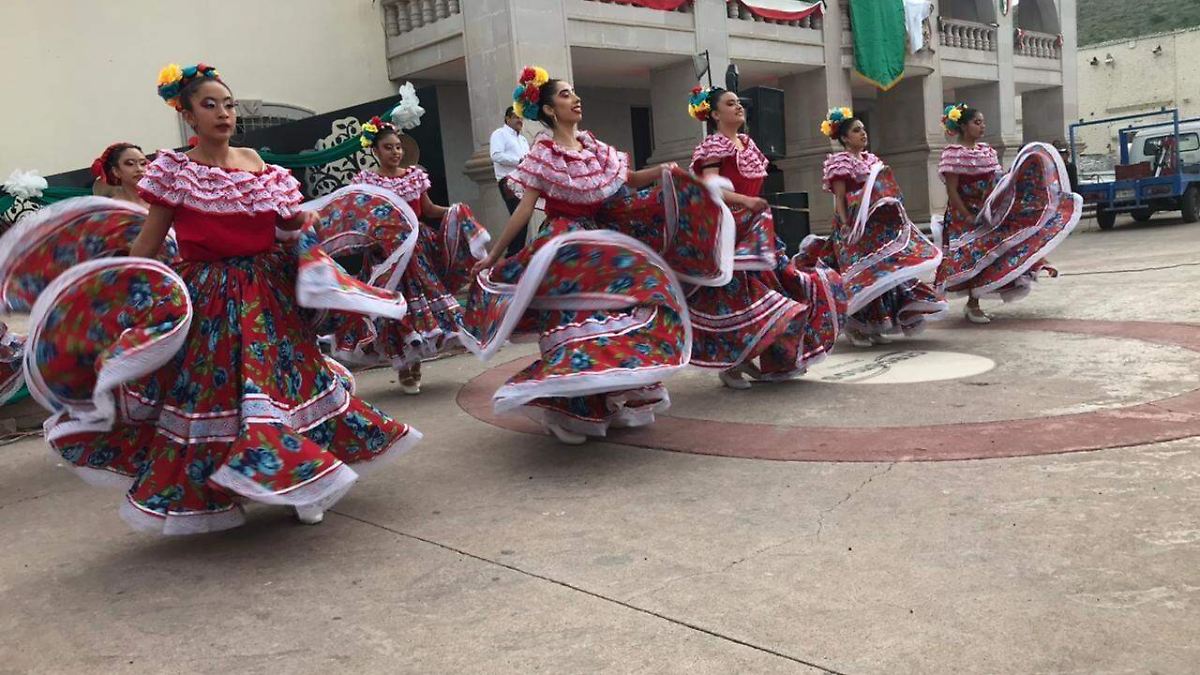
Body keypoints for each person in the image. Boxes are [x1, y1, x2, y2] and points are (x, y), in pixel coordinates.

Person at [0, 62, 421, 534]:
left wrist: (299, 226)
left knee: (283, 387)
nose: (223, 113)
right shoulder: (174, 172)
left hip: (268, 295)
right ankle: (244, 484)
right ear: (189, 116)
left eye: (228, 105)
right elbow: (149, 244)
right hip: (211, 300)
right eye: (209, 105)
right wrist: (126, 295)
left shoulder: (260, 165)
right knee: (223, 396)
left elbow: (282, 227)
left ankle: (299, 483)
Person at [461, 66, 733, 445]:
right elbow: (525, 209)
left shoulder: (595, 147)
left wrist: (667, 171)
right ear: (551, 109)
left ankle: (614, 396)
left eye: (574, 92)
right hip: (565, 244)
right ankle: (571, 407)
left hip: (603, 238)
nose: (576, 98)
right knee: (580, 323)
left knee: (640, 296)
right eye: (565, 94)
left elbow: (630, 181)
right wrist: (494, 256)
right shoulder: (544, 152)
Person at [685, 87, 844, 388]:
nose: (738, 108)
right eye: (730, 104)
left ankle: (762, 356)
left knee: (785, 286)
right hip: (731, 232)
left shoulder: (748, 144)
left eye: (739, 103)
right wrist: (745, 202)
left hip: (758, 230)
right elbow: (710, 187)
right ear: (715, 114)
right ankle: (733, 362)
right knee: (742, 297)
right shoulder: (713, 145)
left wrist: (753, 204)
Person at [340, 106, 489, 395]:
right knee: (394, 308)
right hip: (386, 256)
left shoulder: (414, 176)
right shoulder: (367, 182)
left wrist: (457, 212)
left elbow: (429, 209)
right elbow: (361, 220)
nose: (395, 152)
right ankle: (402, 365)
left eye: (398, 147)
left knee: (420, 306)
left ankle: (416, 363)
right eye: (388, 148)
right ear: (375, 150)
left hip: (417, 251)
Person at [808, 107, 946, 347]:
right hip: (853, 227)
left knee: (881, 275)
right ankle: (854, 326)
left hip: (877, 230)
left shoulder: (872, 160)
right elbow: (840, 198)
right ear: (844, 138)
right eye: (856, 130)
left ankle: (873, 324)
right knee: (859, 275)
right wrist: (845, 226)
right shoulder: (840, 162)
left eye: (863, 129)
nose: (863, 133)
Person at [934, 103, 1081, 323]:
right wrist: (965, 215)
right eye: (977, 122)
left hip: (989, 212)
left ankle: (977, 300)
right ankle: (973, 305)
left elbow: (998, 182)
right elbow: (952, 190)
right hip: (962, 215)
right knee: (973, 257)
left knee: (995, 251)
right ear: (963, 126)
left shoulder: (987, 151)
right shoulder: (953, 154)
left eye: (983, 122)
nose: (982, 126)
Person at [490, 106, 531, 256]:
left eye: (521, 117)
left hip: (524, 182)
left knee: (523, 219)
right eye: (516, 117)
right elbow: (496, 156)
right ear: (507, 119)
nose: (520, 120)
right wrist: (519, 161)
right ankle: (512, 255)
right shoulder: (499, 134)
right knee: (518, 217)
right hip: (508, 181)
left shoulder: (523, 139)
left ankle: (517, 254)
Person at [90, 142, 149, 208]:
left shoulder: (159, 202)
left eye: (143, 163)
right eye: (130, 163)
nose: (139, 169)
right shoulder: (110, 209)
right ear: (116, 171)